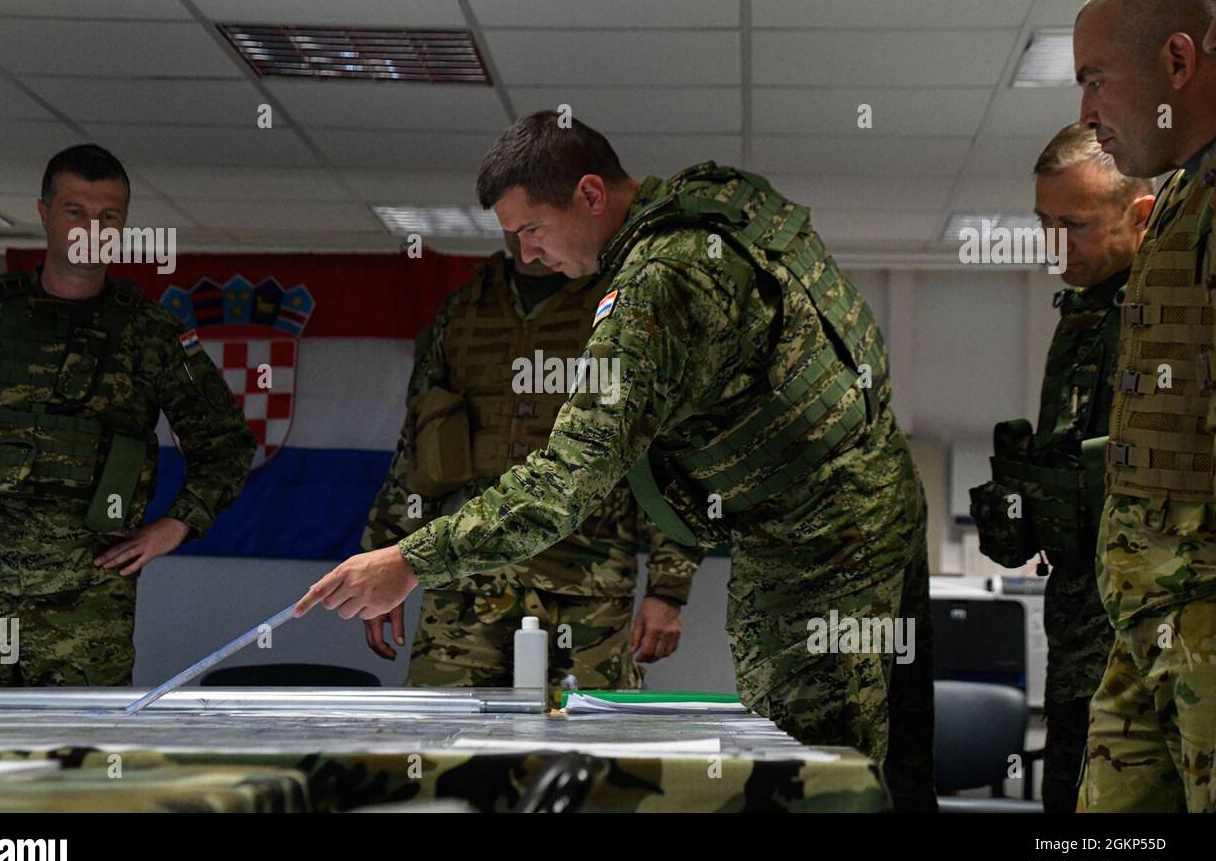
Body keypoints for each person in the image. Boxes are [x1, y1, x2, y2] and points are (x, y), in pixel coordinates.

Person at [298, 113, 937, 810]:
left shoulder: (653, 288)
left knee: (814, 779)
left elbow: (569, 477)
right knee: (890, 768)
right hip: (878, 504)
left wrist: (409, 561)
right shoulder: (717, 206)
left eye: (532, 229)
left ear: (591, 196)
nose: (529, 253)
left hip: (815, 546)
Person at [0, 144, 256, 686]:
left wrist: (179, 523)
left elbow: (227, 445)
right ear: (44, 212)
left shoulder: (151, 335)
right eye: (75, 211)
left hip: (90, 600)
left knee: (82, 755)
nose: (90, 229)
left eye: (109, 215)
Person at [360, 231, 702, 695]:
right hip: (463, 581)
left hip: (586, 583)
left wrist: (668, 589)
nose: (526, 242)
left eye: (537, 226)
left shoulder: (620, 310)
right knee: (441, 740)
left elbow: (667, 452)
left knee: (596, 748)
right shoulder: (463, 312)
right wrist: (382, 555)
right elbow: (419, 442)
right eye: (514, 226)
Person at [969, 122, 1154, 812]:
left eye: (1074, 225)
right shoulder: (1082, 312)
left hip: (1152, 636)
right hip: (1082, 632)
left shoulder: (1180, 303)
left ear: (1141, 216)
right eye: (1044, 223)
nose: (1054, 243)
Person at [1073, 0, 1216, 811]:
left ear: (1175, 63)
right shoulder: (1176, 204)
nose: (1087, 116)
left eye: (1097, 81)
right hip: (1146, 612)